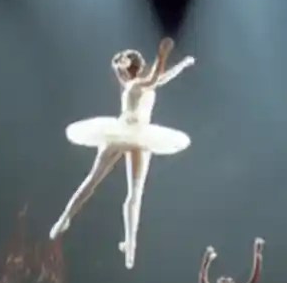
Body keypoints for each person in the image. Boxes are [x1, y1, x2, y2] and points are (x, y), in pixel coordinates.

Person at [49, 37, 196, 270]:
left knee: (98, 181)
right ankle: (127, 246)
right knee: (129, 191)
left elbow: (161, 78)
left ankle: (68, 220)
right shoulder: (137, 85)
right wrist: (163, 55)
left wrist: (181, 65)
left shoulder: (135, 84)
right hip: (132, 134)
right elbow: (156, 77)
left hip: (132, 133)